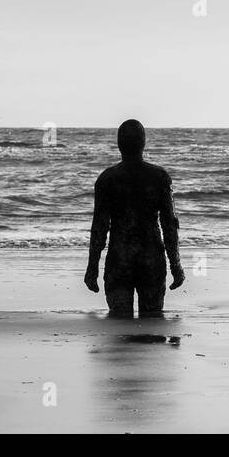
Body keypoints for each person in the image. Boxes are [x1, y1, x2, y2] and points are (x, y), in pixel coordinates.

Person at [84, 119, 185, 317]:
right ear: (144, 143)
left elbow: (99, 228)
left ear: (118, 144)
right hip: (151, 260)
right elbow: (169, 225)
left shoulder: (106, 179)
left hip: (119, 260)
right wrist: (176, 265)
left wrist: (92, 269)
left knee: (120, 326)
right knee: (152, 323)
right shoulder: (159, 177)